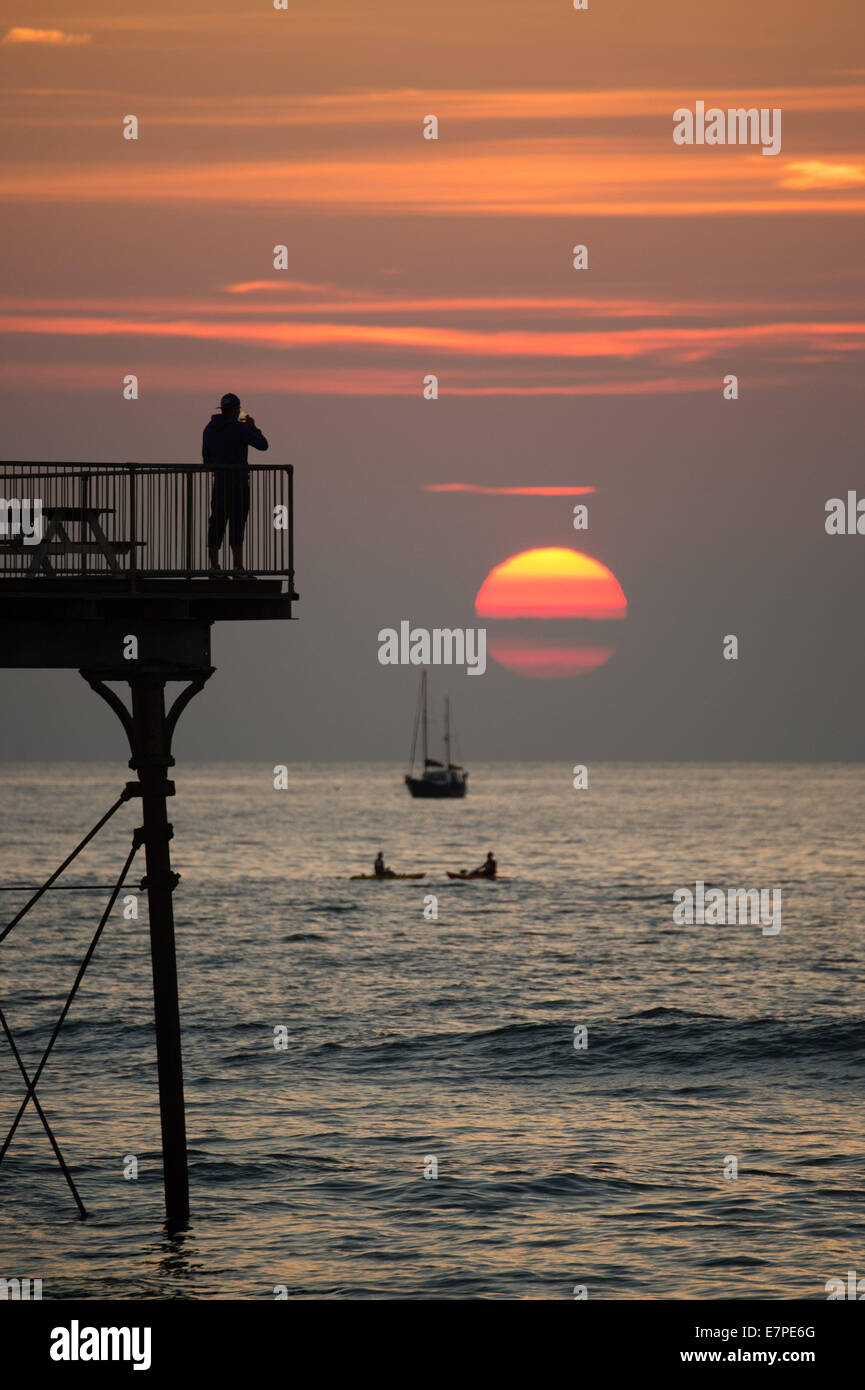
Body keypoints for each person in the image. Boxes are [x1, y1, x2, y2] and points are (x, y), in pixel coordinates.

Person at [203, 392, 268, 577]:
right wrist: (252, 426)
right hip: (238, 482)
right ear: (236, 410)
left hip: (220, 482)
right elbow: (263, 445)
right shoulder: (239, 427)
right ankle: (237, 567)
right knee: (237, 523)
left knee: (216, 522)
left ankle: (214, 567)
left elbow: (206, 460)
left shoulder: (209, 428)